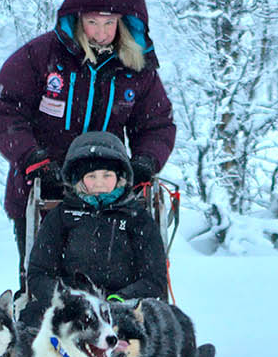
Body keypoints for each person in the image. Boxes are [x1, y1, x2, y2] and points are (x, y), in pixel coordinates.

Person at [0, 0, 177, 276]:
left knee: (113, 277)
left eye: (109, 23)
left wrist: (144, 163)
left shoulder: (135, 69)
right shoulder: (41, 56)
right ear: (77, 19)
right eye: (92, 22)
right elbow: (3, 109)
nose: (100, 33)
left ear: (123, 23)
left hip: (110, 192)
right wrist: (32, 158)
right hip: (45, 186)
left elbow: (156, 124)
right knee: (43, 278)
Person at [19, 130, 168, 332]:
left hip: (123, 306)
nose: (99, 182)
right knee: (31, 321)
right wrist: (67, 298)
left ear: (120, 177)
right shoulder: (61, 217)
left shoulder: (137, 218)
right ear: (78, 179)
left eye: (107, 175)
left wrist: (120, 299)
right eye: (92, 176)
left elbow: (155, 279)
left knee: (159, 325)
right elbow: (38, 273)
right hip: (70, 306)